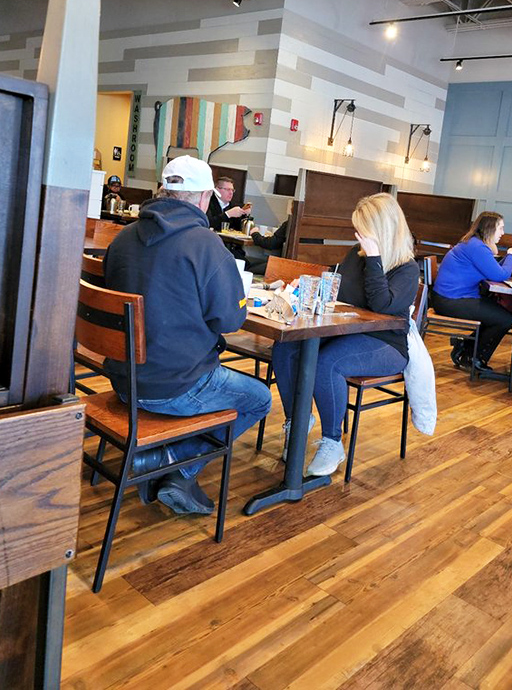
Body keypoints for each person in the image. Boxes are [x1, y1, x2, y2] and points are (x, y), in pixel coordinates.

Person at [103, 155, 271, 515]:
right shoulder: (206, 245)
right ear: (204, 198)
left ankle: (167, 460)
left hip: (122, 379)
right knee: (259, 398)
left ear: (163, 191)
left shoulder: (123, 238)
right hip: (174, 386)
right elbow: (231, 320)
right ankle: (175, 461)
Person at [271, 192, 419, 477]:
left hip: (386, 343)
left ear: (382, 230)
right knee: (286, 348)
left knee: (329, 363)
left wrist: (375, 259)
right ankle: (297, 424)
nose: (358, 234)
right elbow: (342, 293)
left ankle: (332, 442)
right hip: (349, 330)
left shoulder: (406, 268)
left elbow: (382, 304)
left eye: (363, 228)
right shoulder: (357, 253)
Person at [431, 212, 512, 373]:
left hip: (451, 297)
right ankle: (474, 357)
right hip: (449, 300)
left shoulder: (474, 244)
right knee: (503, 319)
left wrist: (510, 254)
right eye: (501, 228)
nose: (502, 232)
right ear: (489, 228)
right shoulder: (476, 247)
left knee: (498, 313)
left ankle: (465, 348)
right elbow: (499, 275)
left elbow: (493, 269)